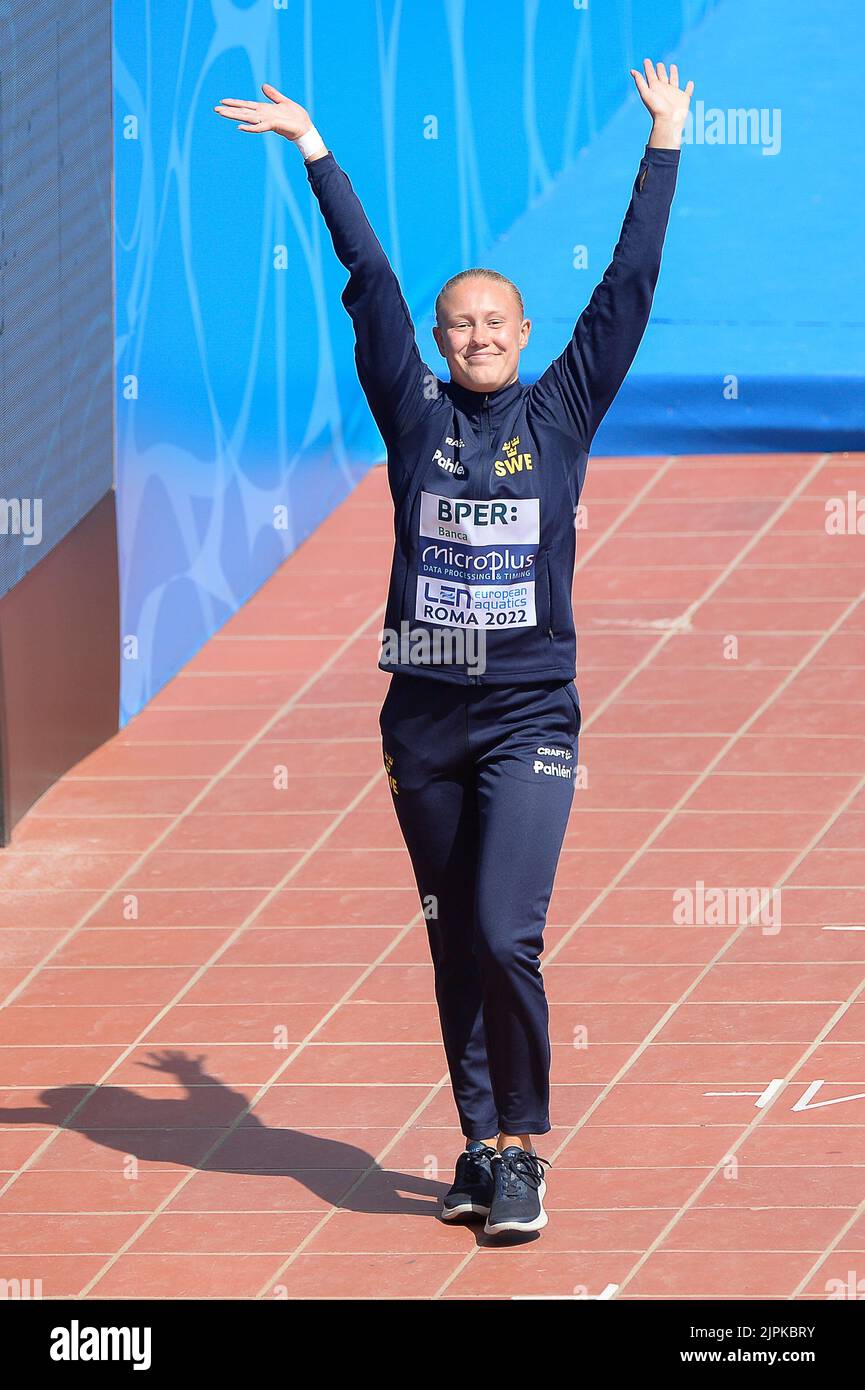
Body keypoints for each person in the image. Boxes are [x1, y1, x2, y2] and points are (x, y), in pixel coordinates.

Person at [214, 59, 693, 1236]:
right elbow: (367, 280)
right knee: (448, 941)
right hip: (421, 719)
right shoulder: (412, 409)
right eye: (458, 323)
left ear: (524, 335)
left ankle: (524, 1146)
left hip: (529, 715)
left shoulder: (563, 409)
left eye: (496, 321)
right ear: (435, 341)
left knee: (500, 928)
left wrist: (666, 143)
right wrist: (315, 149)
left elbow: (627, 287)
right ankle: (476, 1140)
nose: (477, 335)